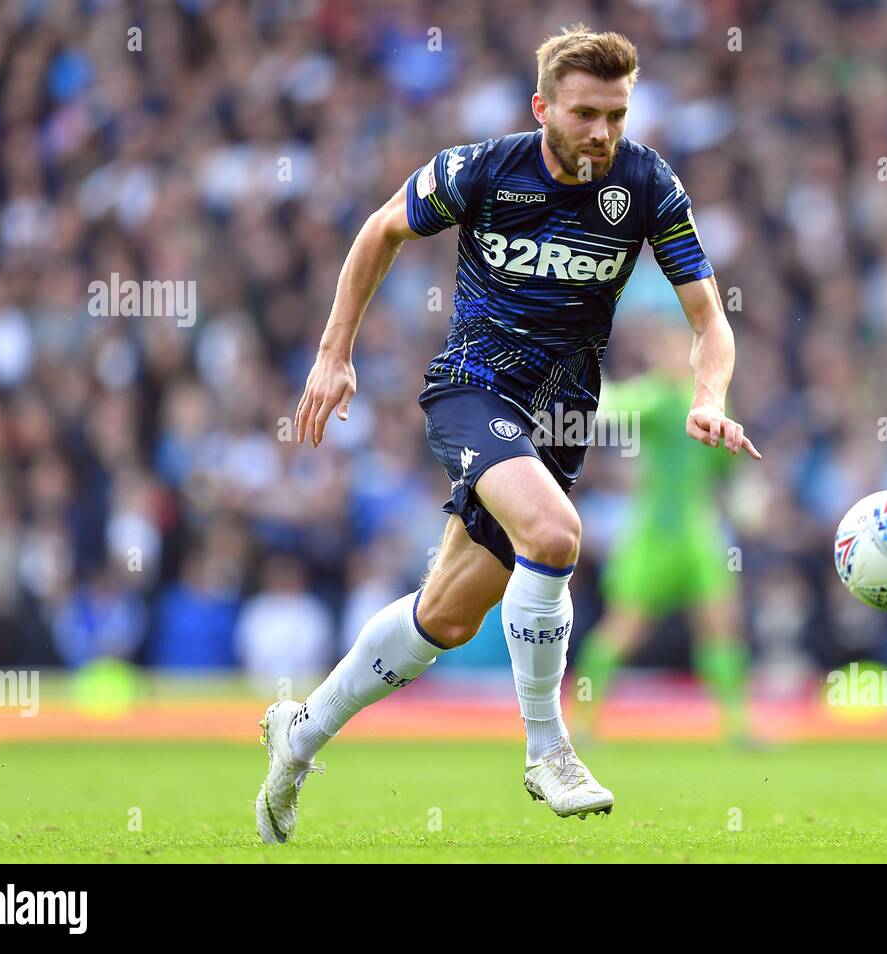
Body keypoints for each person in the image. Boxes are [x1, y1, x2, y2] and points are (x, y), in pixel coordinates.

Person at [255, 23, 760, 844]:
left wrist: (709, 395)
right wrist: (332, 354)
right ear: (543, 107)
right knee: (556, 535)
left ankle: (300, 732)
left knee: (445, 619)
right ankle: (547, 748)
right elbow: (381, 229)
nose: (603, 132)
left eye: (617, 115)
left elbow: (710, 318)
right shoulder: (483, 168)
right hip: (471, 389)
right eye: (587, 112)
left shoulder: (647, 183)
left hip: (559, 422)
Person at [572, 321, 751, 743]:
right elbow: (611, 407)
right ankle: (581, 723)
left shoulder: (712, 407)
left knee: (722, 626)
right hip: (654, 535)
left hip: (696, 534)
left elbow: (728, 469)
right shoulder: (656, 398)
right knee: (624, 630)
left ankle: (737, 726)